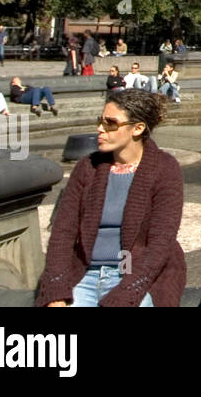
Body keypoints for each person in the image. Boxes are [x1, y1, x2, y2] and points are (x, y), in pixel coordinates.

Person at [36, 90, 186, 307]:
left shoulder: (165, 168)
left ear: (138, 128)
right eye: (101, 121)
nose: (100, 129)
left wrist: (126, 294)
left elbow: (160, 244)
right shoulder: (88, 167)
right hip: (84, 273)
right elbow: (62, 233)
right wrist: (57, 290)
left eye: (111, 123)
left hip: (134, 274)